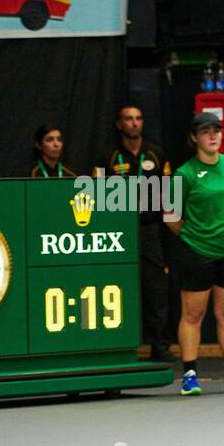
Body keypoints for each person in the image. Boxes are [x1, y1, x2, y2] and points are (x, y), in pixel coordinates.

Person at [167, 112, 224, 397]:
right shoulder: (184, 174)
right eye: (205, 131)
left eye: (216, 130)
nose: (212, 135)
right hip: (197, 253)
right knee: (193, 314)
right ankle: (190, 374)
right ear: (194, 137)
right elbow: (170, 216)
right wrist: (196, 238)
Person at [94, 105, 176, 363]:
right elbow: (95, 195)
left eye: (138, 118)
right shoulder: (107, 157)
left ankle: (159, 345)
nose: (133, 123)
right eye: (128, 119)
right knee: (116, 287)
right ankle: (116, 345)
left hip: (149, 229)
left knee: (155, 289)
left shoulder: (156, 154)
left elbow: (168, 194)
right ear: (119, 124)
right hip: (118, 232)